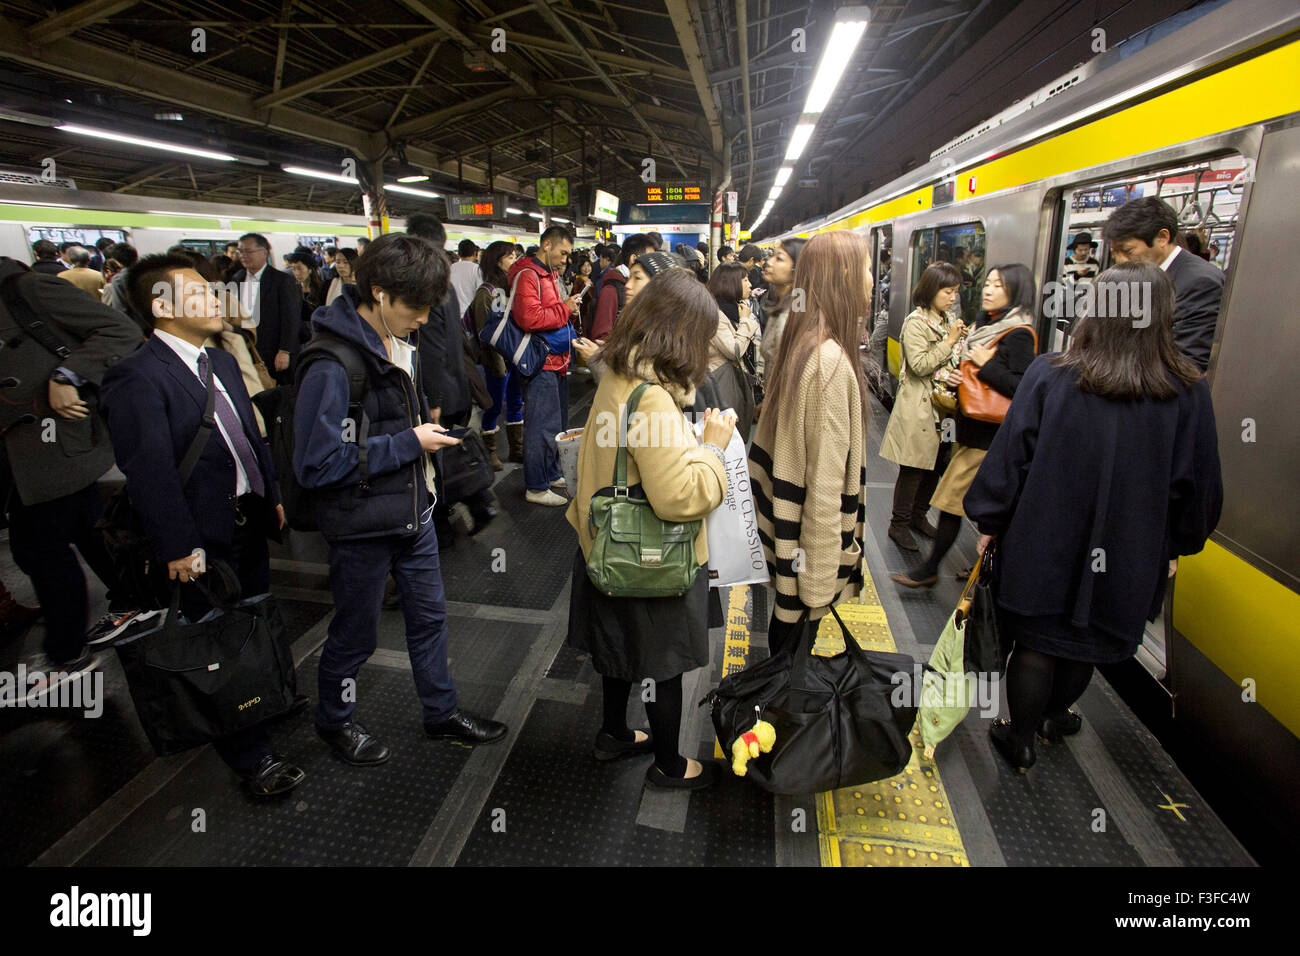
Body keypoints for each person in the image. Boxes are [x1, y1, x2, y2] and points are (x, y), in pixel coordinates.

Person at [965, 261, 1222, 771]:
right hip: (1130, 551)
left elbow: (1012, 456)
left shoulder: (1051, 375)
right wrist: (1176, 545)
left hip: (1042, 540)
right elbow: (1199, 485)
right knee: (1083, 643)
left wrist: (989, 520)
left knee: (1036, 641)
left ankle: (1019, 738)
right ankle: (1055, 715)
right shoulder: (1187, 391)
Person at [293, 233, 507, 761]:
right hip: (362, 527)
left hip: (415, 512)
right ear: (380, 293)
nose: (423, 318)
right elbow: (317, 464)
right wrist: (408, 441)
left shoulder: (394, 343)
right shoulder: (330, 365)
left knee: (430, 621)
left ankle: (440, 713)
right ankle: (334, 720)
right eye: (416, 307)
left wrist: (417, 427)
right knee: (354, 636)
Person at [99, 253, 305, 797]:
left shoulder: (216, 362)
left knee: (252, 622)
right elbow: (150, 471)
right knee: (215, 639)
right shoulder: (137, 377)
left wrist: (271, 493)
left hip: (246, 518)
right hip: (198, 536)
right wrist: (179, 545)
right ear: (162, 307)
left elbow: (252, 437)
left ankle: (265, 698)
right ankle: (249, 756)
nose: (215, 298)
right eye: (200, 293)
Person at [566, 268, 735, 789]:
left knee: (617, 648)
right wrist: (712, 450)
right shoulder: (655, 396)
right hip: (648, 554)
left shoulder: (618, 371)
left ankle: (615, 732)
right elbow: (678, 496)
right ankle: (669, 764)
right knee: (664, 664)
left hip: (603, 544)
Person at [0, 255, 147, 699]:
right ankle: (137, 601)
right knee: (87, 528)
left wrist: (68, 374)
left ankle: (66, 655)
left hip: (51, 444)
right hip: (20, 449)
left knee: (39, 547)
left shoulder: (27, 289)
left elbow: (120, 330)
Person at [749, 230, 870, 655]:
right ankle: (779, 711)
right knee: (795, 643)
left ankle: (774, 708)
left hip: (786, 533)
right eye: (867, 269)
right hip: (808, 544)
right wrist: (818, 581)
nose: (872, 279)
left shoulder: (806, 340)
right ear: (844, 277)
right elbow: (824, 487)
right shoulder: (830, 362)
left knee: (786, 635)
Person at [891, 264, 1038, 589]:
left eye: (997, 285)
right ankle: (981, 569)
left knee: (951, 502)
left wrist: (983, 368)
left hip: (988, 439)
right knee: (966, 505)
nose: (987, 290)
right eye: (987, 283)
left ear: (1015, 292)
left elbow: (1023, 386)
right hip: (970, 433)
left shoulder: (1018, 334)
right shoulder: (986, 327)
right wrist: (963, 379)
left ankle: (932, 569)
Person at [878, 263, 966, 551]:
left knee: (935, 466)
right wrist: (950, 341)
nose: (952, 298)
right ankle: (898, 525)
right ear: (931, 290)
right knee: (914, 467)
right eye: (947, 291)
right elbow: (919, 365)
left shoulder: (945, 319)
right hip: (920, 406)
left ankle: (919, 516)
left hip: (943, 408)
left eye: (955, 292)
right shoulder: (916, 323)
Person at [1105, 196, 1223, 371]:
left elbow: (1187, 362)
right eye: (1115, 253)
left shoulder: (1199, 283)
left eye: (1128, 251)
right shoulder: (1140, 276)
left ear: (1162, 237)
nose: (1121, 261)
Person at [508, 225, 581, 506]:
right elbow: (530, 318)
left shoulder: (549, 274)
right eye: (563, 253)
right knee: (540, 427)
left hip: (557, 361)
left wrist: (566, 306)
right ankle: (536, 486)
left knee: (556, 423)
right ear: (547, 245)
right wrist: (564, 308)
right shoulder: (528, 276)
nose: (565, 260)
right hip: (541, 363)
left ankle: (550, 472)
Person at [469, 240, 524, 470]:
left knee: (515, 403)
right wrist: (496, 364)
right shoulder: (486, 293)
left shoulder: (513, 287)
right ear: (497, 260)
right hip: (497, 361)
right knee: (493, 405)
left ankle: (517, 448)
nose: (515, 261)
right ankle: (490, 451)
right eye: (511, 257)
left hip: (514, 358)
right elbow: (485, 335)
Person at [231, 233, 300, 384]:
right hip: (245, 349)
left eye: (248, 251)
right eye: (240, 252)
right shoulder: (236, 278)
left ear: (264, 253)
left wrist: (284, 350)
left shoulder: (282, 280)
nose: (243, 256)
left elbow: (291, 317)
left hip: (273, 350)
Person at [705, 261, 760, 437]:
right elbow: (734, 350)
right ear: (731, 283)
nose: (750, 284)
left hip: (731, 382)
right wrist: (746, 322)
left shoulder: (734, 309)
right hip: (719, 384)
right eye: (745, 280)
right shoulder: (715, 313)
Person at [756, 237, 806, 377]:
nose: (769, 262)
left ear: (796, 270)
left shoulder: (792, 317)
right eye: (772, 256)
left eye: (779, 259)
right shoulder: (793, 302)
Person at [589, 233, 653, 342]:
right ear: (633, 258)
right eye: (650, 258)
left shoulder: (644, 287)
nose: (653, 263)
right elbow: (601, 336)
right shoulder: (612, 289)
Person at [285, 251, 325, 342]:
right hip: (299, 334)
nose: (296, 273)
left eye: (299, 268)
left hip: (318, 332)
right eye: (293, 269)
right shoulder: (292, 289)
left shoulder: (322, 288)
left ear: (310, 269)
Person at [100, 241, 140, 317]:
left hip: (134, 322)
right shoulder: (148, 272)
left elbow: (120, 308)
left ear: (116, 261)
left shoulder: (118, 279)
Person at [449, 238, 481, 317]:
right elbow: (480, 293)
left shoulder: (450, 268)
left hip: (452, 313)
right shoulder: (477, 269)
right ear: (474, 253)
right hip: (469, 316)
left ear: (459, 253)